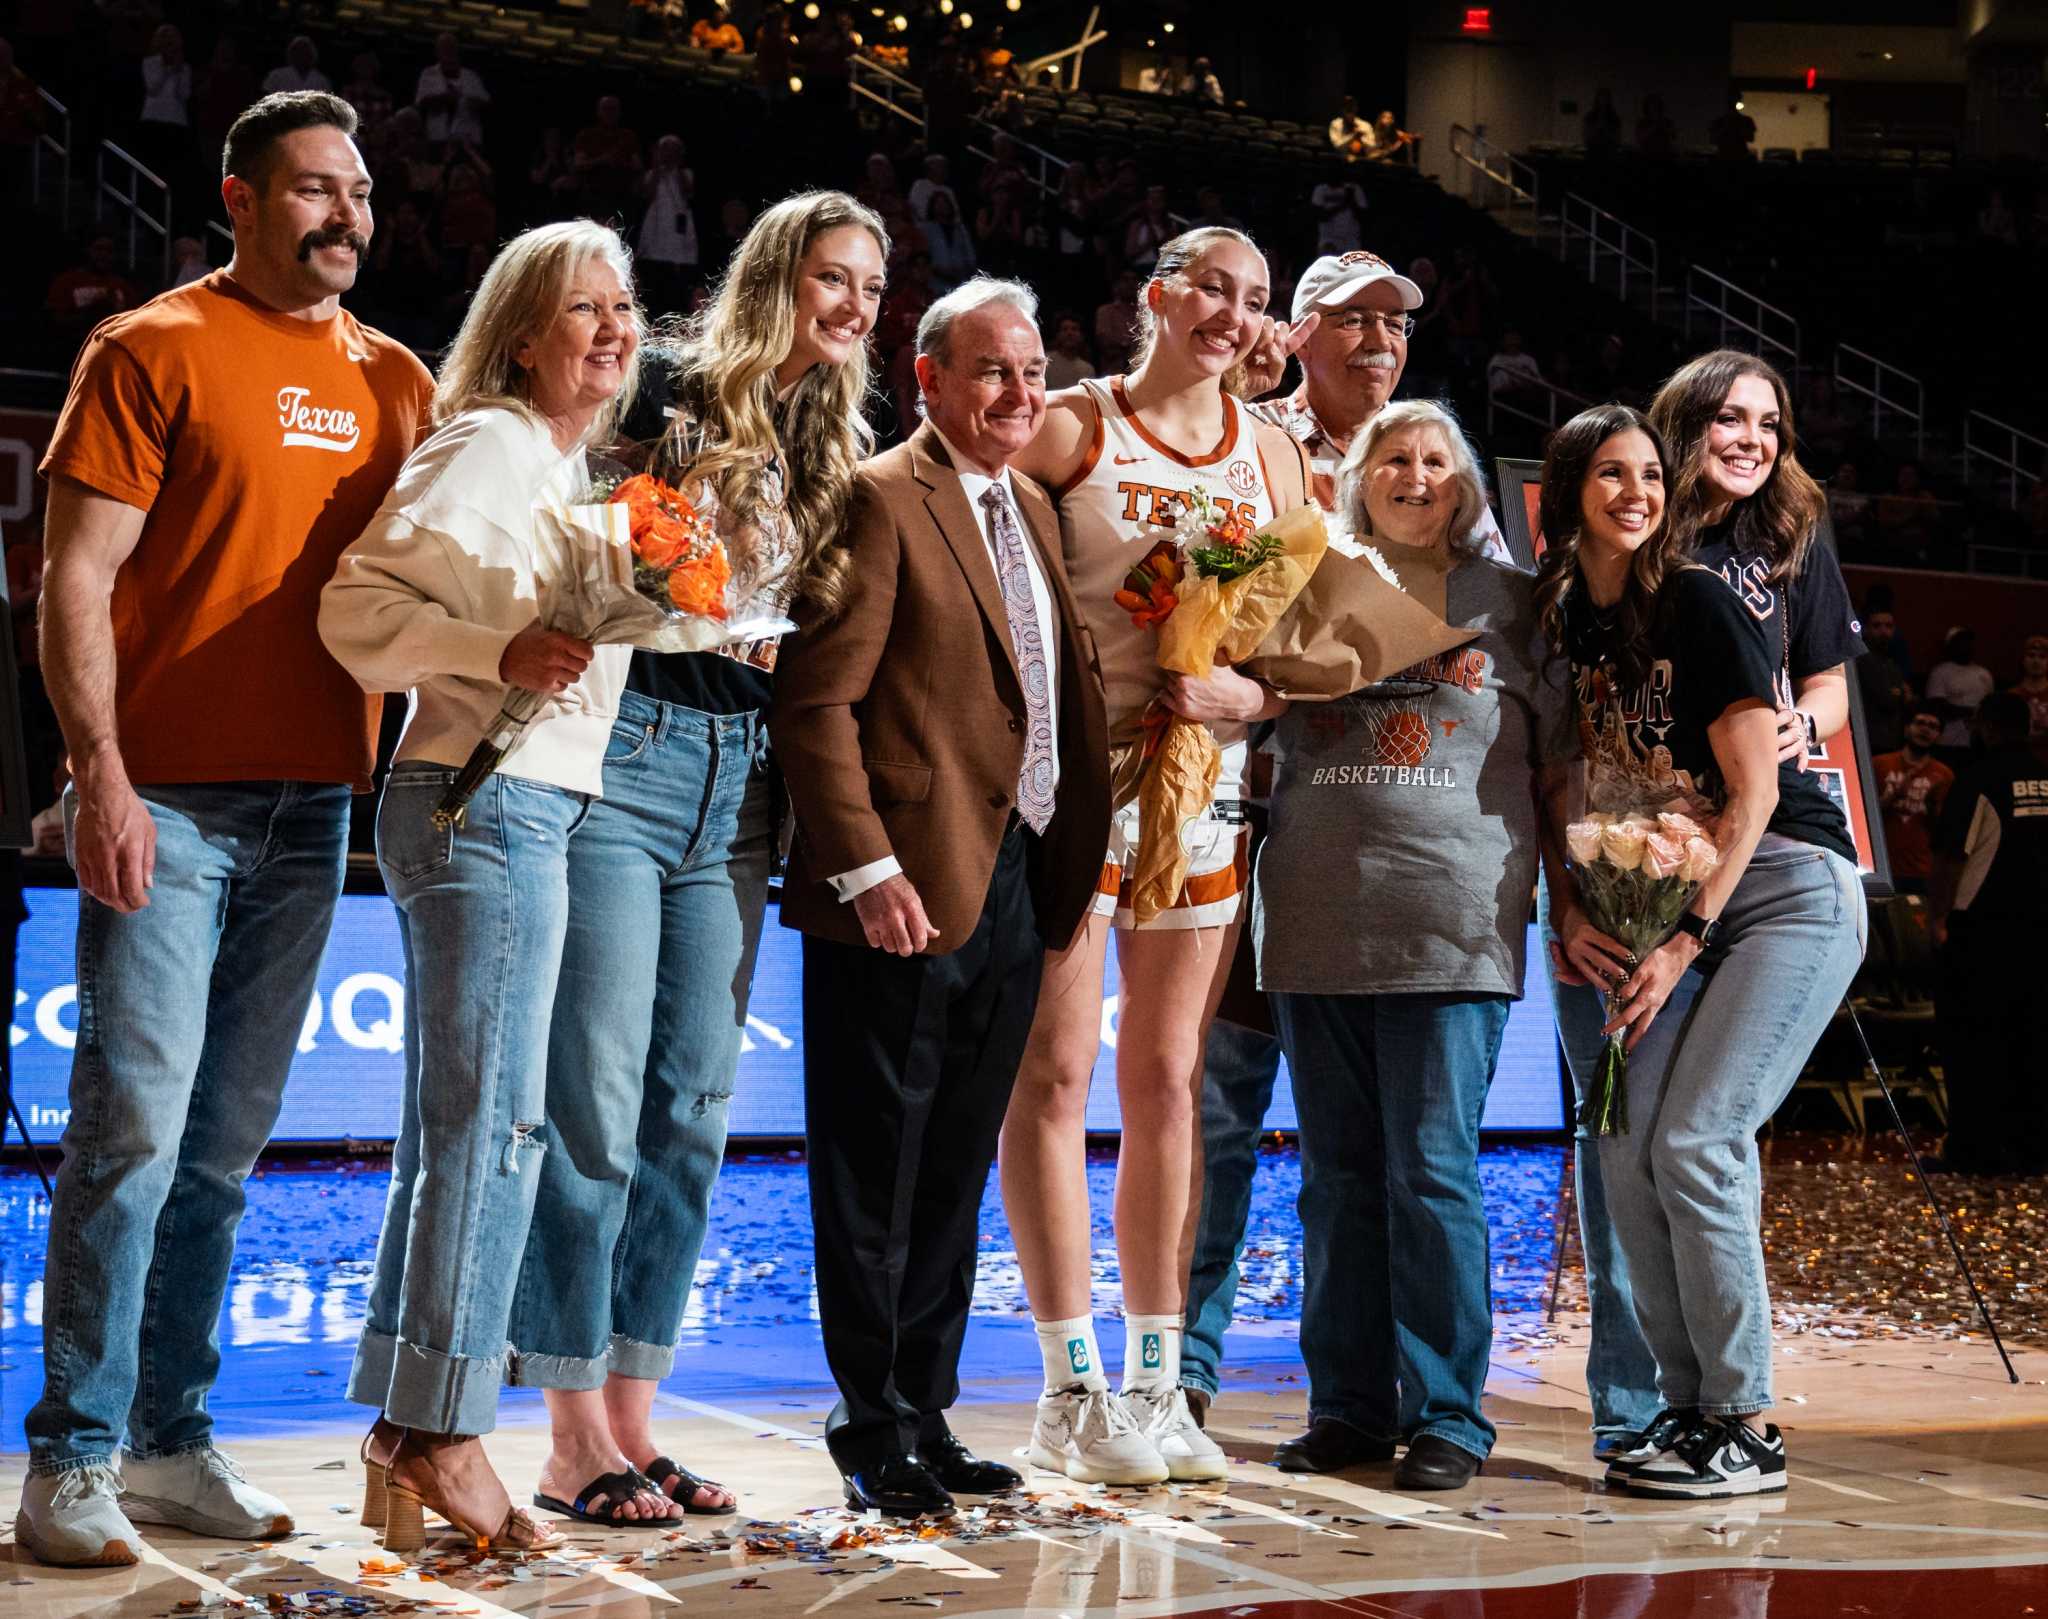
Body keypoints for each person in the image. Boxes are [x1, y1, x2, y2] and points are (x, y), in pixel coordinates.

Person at [16, 90, 434, 1569]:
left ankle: (172, 1440)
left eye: (362, 194)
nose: (347, 218)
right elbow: (75, 576)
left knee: (223, 1147)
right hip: (168, 800)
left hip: (316, 806)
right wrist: (100, 770)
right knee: (130, 1132)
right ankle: (67, 1454)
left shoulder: (398, 379)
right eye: (315, 190)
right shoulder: (151, 348)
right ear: (239, 199)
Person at [505, 192, 889, 1525]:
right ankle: (567, 1432)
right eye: (831, 278)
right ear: (776, 275)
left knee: (690, 1111)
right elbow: (573, 491)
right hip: (629, 740)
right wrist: (707, 590)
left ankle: (631, 1419)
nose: (850, 306)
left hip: (748, 782)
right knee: (597, 1101)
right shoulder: (665, 375)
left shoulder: (841, 440)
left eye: (869, 288)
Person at [322, 220, 643, 1551]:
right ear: (523, 332)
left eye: (627, 306)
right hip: (481, 802)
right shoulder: (490, 443)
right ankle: (451, 1433)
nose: (617, 328)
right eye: (587, 309)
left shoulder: (569, 470)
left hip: (531, 806)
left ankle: (406, 1431)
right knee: (496, 1127)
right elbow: (356, 608)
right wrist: (493, 642)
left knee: (467, 1125)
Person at [770, 277, 1112, 1516]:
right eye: (990, 371)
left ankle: (927, 1408)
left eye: (1031, 371)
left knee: (957, 1161)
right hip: (902, 885)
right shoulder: (874, 498)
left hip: (1015, 874)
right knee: (878, 1168)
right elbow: (814, 704)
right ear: (927, 378)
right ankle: (869, 1424)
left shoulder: (1027, 500)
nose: (1019, 394)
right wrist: (867, 870)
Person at [1000, 227, 1311, 1485]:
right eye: (1212, 290)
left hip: (1205, 792)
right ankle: (1066, 1388)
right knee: (1057, 1076)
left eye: (1254, 299)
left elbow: (1304, 644)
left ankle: (1158, 1381)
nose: (1231, 314)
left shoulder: (1279, 454)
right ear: (1156, 298)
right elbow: (980, 558)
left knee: (1171, 1081)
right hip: (1076, 788)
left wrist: (1257, 704)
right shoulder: (1072, 425)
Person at [1178, 249, 1508, 1428]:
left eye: (1395, 323)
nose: (1378, 341)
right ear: (1301, 332)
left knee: (1393, 1156)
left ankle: (1408, 1397)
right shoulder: (1244, 444)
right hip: (1236, 822)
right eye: (1353, 320)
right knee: (1216, 1115)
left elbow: (1489, 673)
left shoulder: (1442, 485)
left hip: (1373, 846)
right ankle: (1184, 1369)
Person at [1548, 351, 1868, 1465]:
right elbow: (1567, 772)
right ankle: (1675, 1409)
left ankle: (1738, 1418)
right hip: (1669, 878)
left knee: (1694, 1134)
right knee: (1628, 1139)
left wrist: (1803, 722)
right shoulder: (1603, 597)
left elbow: (1776, 756)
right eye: (1727, 418)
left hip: (1779, 877)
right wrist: (1572, 903)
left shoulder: (1723, 576)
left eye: (1768, 421)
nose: (1750, 437)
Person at [1257, 403, 1566, 1490]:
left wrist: (1573, 897)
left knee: (1431, 1173)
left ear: (1467, 485)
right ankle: (1346, 1406)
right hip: (1311, 914)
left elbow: (1562, 766)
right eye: (1393, 454)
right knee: (1335, 1181)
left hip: (1453, 920)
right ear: (1359, 477)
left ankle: (1446, 1414)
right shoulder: (1296, 585)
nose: (1415, 471)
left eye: (1437, 456)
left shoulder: (1514, 608)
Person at [1931, 691, 2048, 1175]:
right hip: (2041, 937)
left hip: (1982, 935)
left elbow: (1950, 858)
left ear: (1989, 728)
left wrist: (1937, 921)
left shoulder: (1977, 780)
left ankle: (1973, 1149)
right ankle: (2033, 1148)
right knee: (2034, 1043)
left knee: (1973, 1045)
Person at [1874, 704, 1952, 896]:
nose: (1925, 729)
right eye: (1920, 723)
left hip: (1920, 868)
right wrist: (1893, 797)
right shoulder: (1879, 763)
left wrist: (1934, 807)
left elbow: (1944, 830)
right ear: (1906, 728)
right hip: (1881, 864)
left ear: (1939, 736)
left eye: (1933, 727)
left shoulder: (1944, 775)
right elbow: (1863, 815)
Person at [634, 133, 699, 316]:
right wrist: (657, 166)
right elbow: (647, 194)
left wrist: (675, 167)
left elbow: (687, 192)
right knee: (655, 273)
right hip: (657, 226)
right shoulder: (652, 174)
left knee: (679, 273)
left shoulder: (686, 173)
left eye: (673, 150)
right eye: (666, 150)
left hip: (679, 226)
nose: (669, 154)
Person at [1925, 627, 1995, 769]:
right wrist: (1974, 712)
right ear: (1950, 646)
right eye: (1960, 642)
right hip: (1948, 743)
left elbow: (1991, 706)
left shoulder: (1984, 674)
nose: (1966, 646)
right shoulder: (1940, 672)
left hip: (1977, 744)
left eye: (1969, 642)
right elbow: (1938, 707)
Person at [413, 32, 489, 149]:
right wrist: (444, 98)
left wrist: (473, 103)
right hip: (437, 138)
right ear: (437, 51)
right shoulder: (429, 74)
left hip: (467, 140)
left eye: (451, 47)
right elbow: (420, 103)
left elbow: (486, 103)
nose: (448, 51)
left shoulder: (471, 77)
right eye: (444, 48)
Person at [1855, 605, 1911, 754]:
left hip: (1890, 740)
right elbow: (1887, 699)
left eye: (1888, 626)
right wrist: (1900, 693)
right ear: (1866, 629)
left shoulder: (1891, 661)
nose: (1883, 631)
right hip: (1868, 740)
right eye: (1877, 626)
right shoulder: (1862, 659)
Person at [2009, 634, 2048, 761]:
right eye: (2031, 655)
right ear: (2023, 660)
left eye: (2042, 657)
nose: (2036, 661)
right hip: (2020, 761)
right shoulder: (2012, 696)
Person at [262, 35, 331, 97]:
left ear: (312, 55)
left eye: (305, 52)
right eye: (298, 51)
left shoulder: (321, 80)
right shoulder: (277, 75)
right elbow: (265, 94)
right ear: (291, 54)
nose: (302, 55)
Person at [1328, 95, 1371, 162]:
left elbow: (1372, 147)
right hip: (1341, 160)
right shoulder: (1336, 124)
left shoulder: (1365, 125)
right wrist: (1353, 135)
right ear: (1342, 109)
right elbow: (1337, 146)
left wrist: (1361, 138)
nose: (1349, 109)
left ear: (1356, 108)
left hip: (1362, 160)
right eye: (1346, 106)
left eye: (1352, 106)